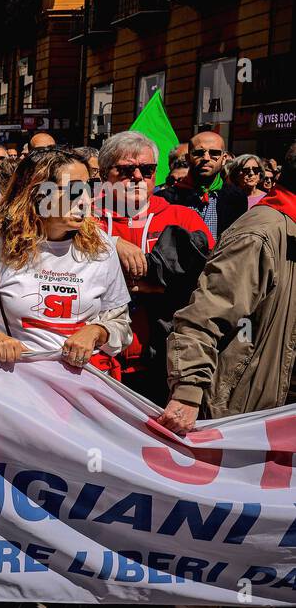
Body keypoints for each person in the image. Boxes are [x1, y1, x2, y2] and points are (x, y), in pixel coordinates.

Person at [0, 148, 132, 608]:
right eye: (75, 188)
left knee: (76, 526)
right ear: (39, 192)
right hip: (15, 410)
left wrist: (96, 333)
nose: (88, 199)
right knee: (13, 524)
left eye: (90, 188)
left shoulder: (100, 249)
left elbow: (122, 320)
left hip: (84, 412)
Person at [155, 141, 296, 608]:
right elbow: (202, 316)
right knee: (224, 522)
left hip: (286, 409)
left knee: (277, 524)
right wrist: (188, 391)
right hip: (247, 405)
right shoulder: (263, 231)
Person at [93, 131, 214, 405]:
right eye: (126, 169)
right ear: (103, 175)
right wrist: (111, 242)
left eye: (147, 170)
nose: (138, 177)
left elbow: (203, 283)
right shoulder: (84, 219)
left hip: (162, 362)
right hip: (95, 361)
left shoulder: (183, 217)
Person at [160, 131, 248, 240]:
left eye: (214, 153)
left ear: (224, 158)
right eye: (199, 153)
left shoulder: (236, 197)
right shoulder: (167, 198)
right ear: (188, 158)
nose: (206, 158)